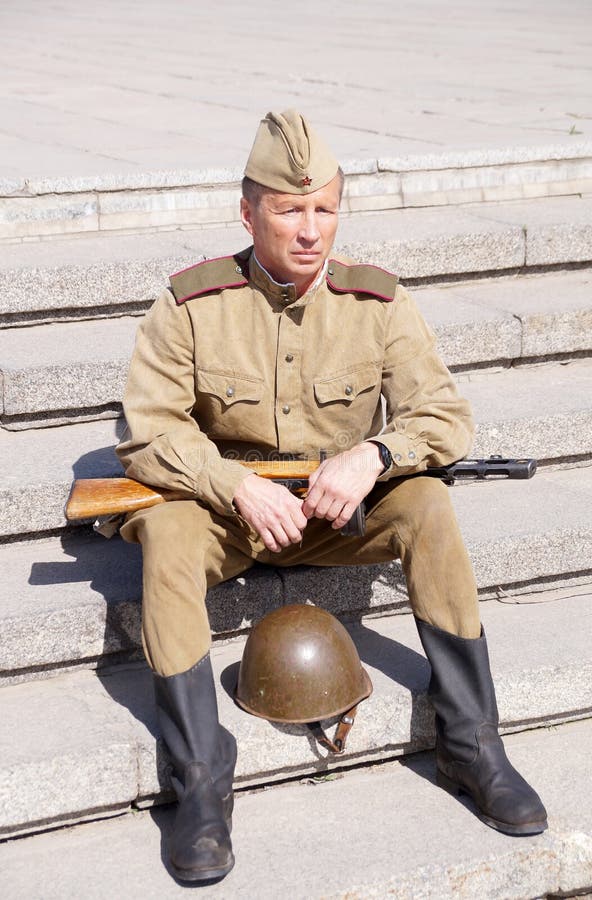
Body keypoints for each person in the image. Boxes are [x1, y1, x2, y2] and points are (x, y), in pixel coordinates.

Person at [116, 110, 547, 883]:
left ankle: (472, 740)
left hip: (337, 515)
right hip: (229, 518)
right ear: (248, 212)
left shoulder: (377, 303)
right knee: (168, 534)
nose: (311, 230)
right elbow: (149, 431)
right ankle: (201, 779)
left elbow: (444, 417)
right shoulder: (191, 304)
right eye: (290, 210)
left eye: (325, 209)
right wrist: (234, 485)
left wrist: (374, 455)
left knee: (428, 505)